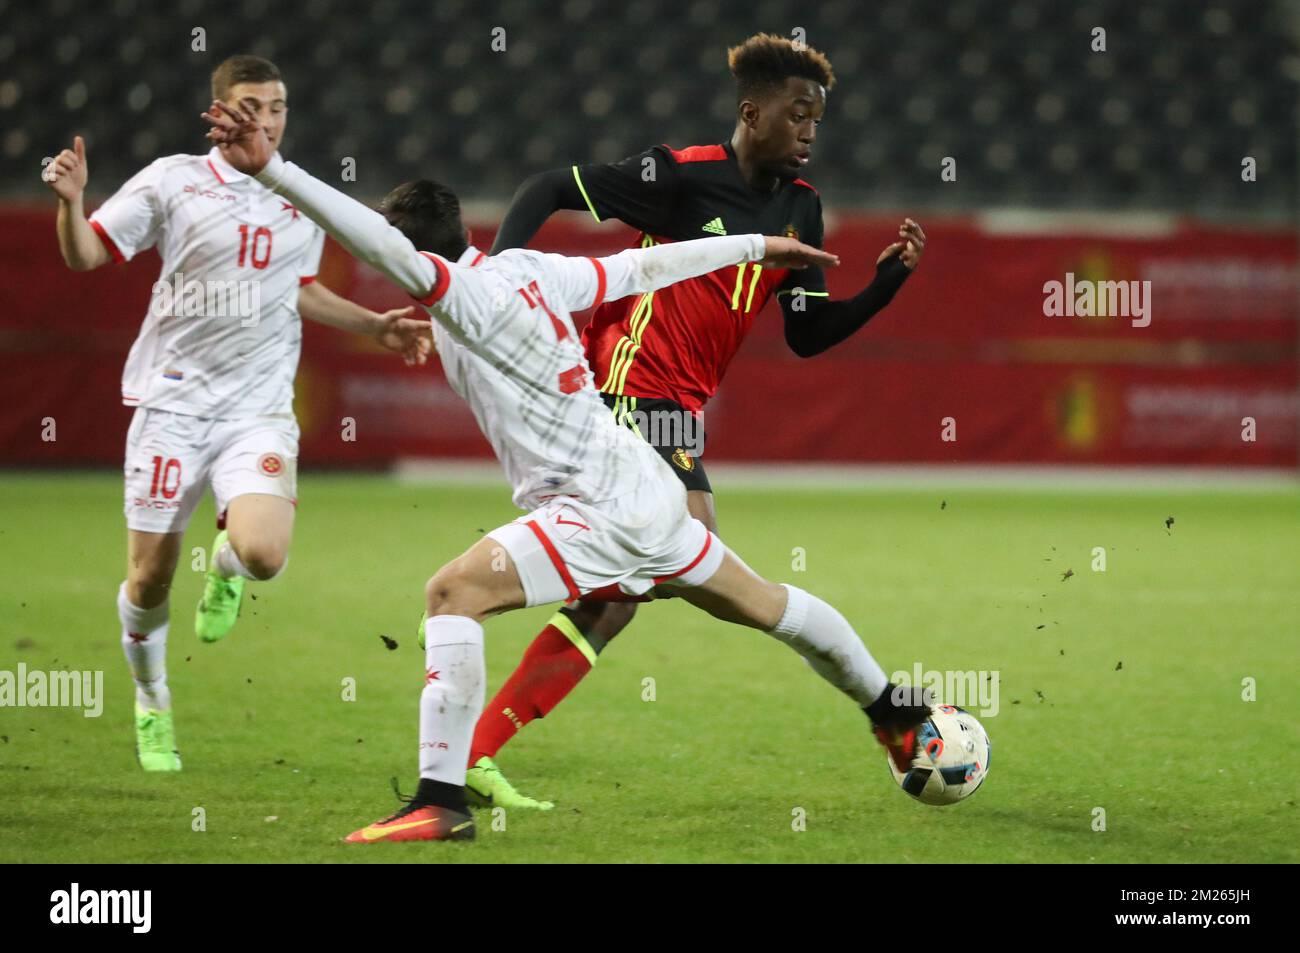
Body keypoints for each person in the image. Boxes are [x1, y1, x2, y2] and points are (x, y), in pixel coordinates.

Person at [203, 96, 934, 843]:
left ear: (415, 256)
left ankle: (439, 799)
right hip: (645, 494)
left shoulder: (462, 297)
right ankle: (896, 710)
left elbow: (370, 240)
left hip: (597, 507)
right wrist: (753, 247)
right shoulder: (530, 269)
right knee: (769, 605)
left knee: (452, 593)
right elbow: (639, 264)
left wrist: (275, 171)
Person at [469, 32, 926, 807]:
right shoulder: (680, 177)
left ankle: (476, 661)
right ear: (754, 112)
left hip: (679, 412)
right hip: (626, 386)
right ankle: (886, 709)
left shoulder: (801, 208)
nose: (812, 130)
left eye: (819, 118)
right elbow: (548, 186)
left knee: (624, 593)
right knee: (685, 541)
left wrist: (885, 286)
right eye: (799, 113)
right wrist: (496, 276)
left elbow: (807, 336)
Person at [42, 55, 431, 772]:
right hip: (173, 404)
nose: (268, 119)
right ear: (219, 109)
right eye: (253, 104)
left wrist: (374, 325)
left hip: (256, 409)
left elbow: (299, 289)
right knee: (149, 578)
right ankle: (153, 699)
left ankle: (224, 562)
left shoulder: (297, 192)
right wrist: (72, 201)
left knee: (264, 554)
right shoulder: (173, 180)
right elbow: (87, 254)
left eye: (278, 105)